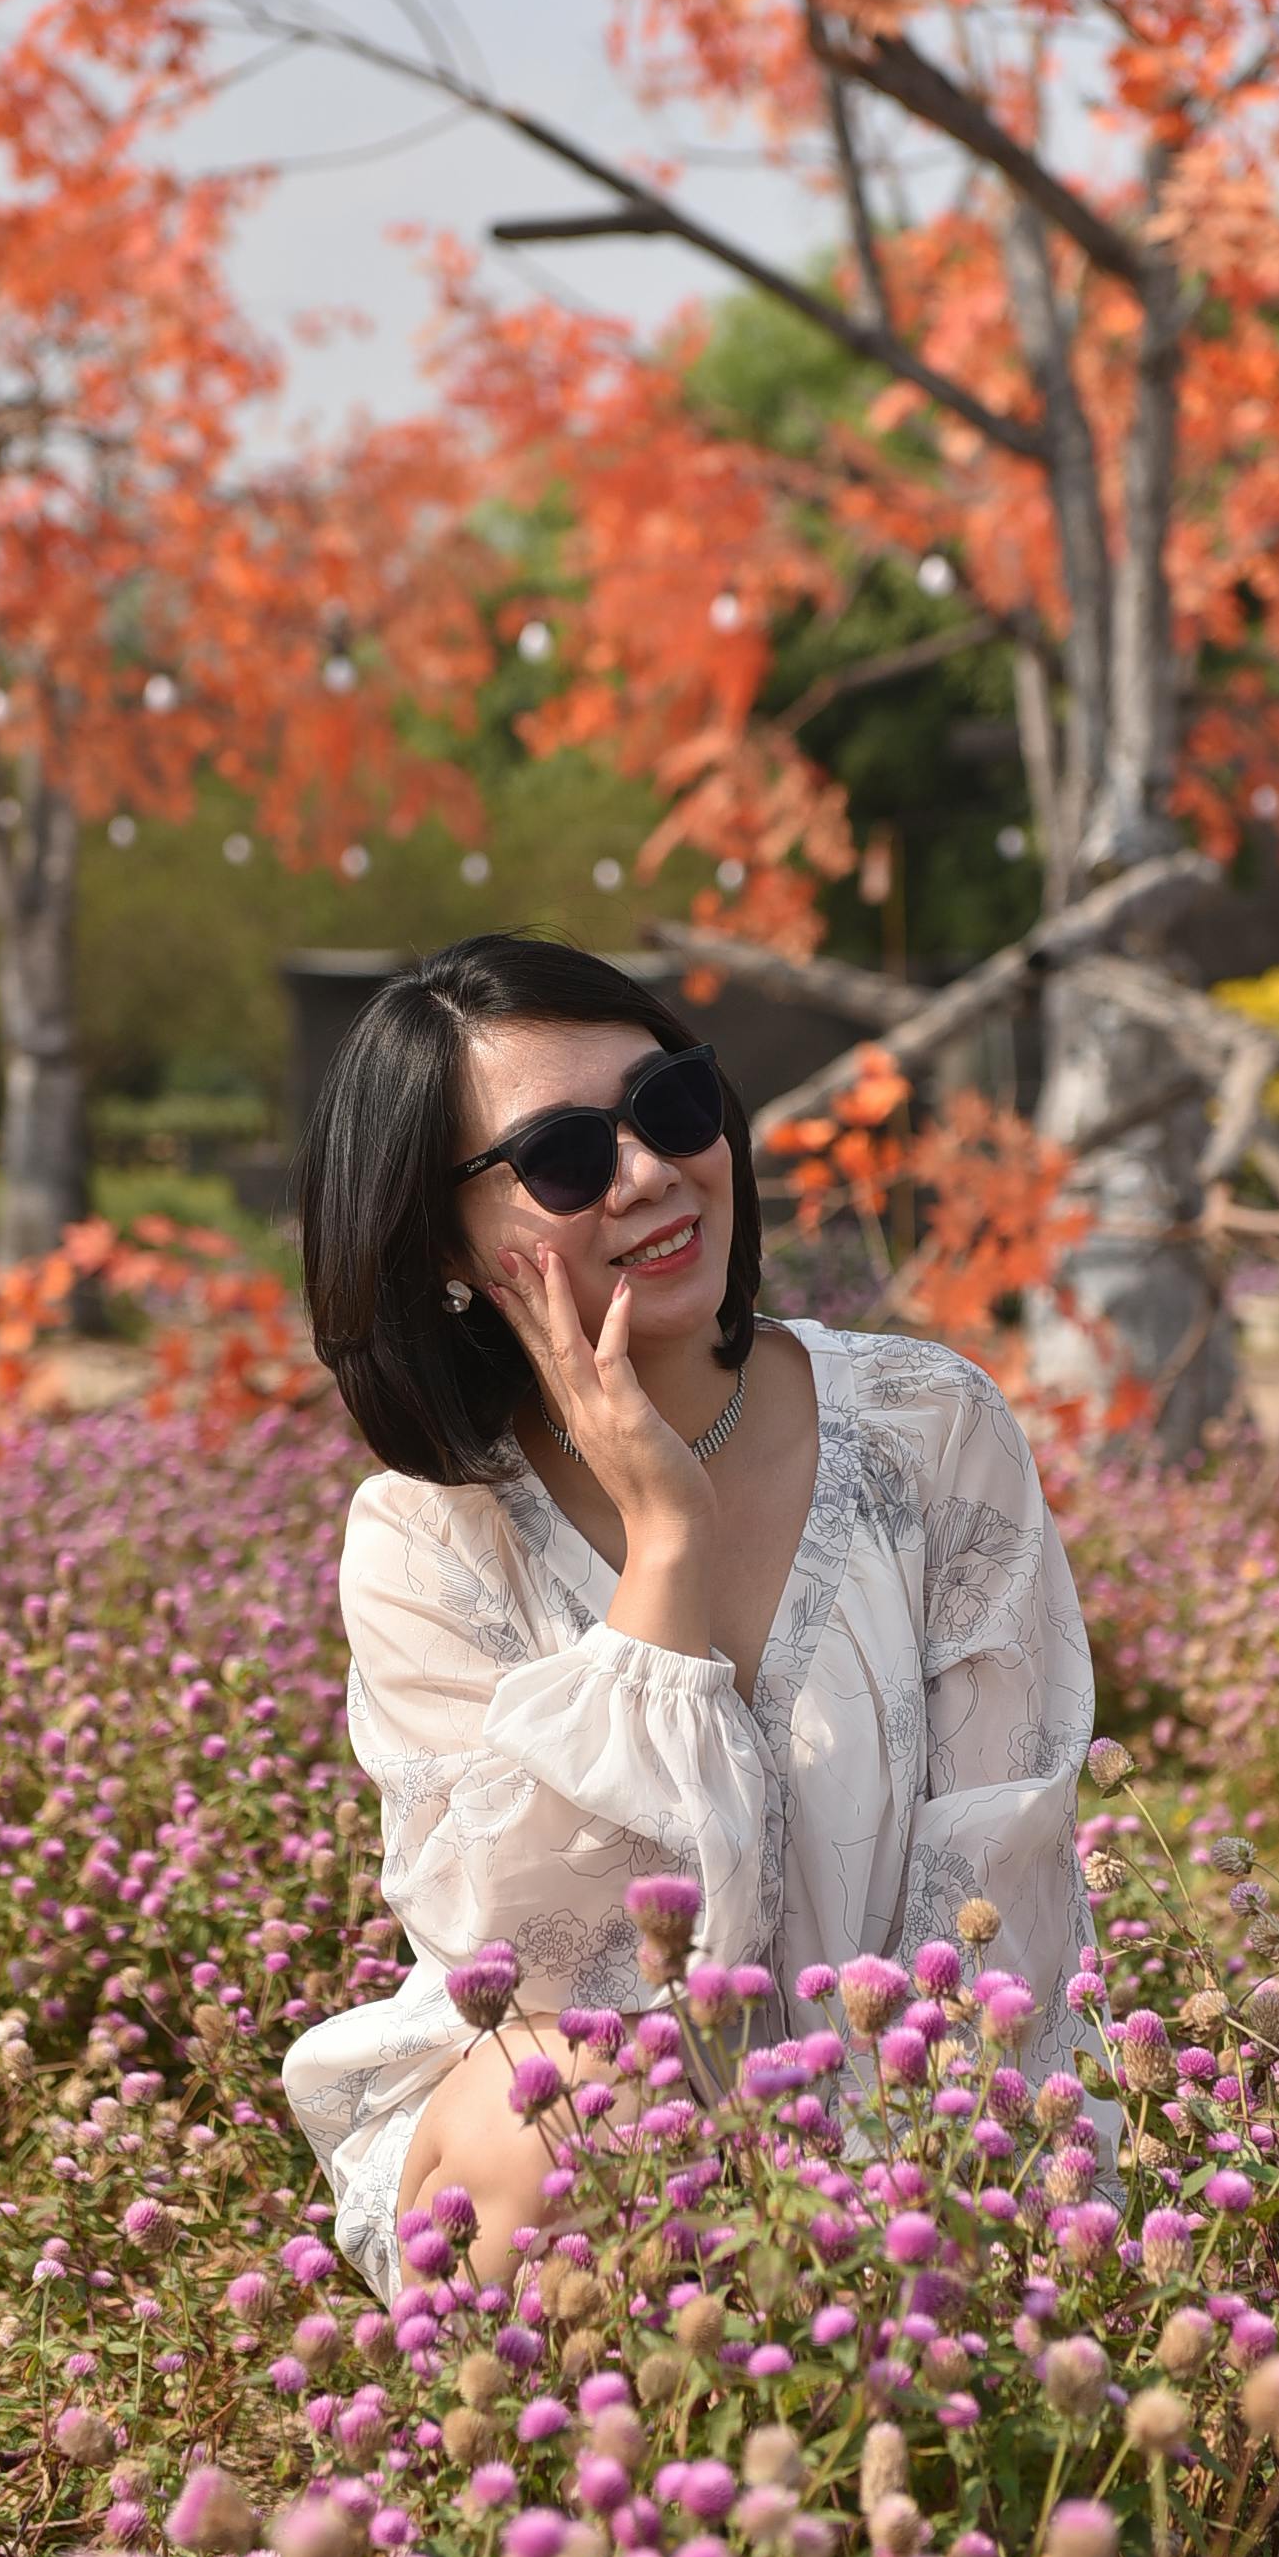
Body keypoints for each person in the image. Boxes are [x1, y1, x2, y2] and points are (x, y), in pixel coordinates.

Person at [282, 930, 1121, 2304]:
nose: (649, 1173)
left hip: (920, 2141)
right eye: (562, 1155)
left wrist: (870, 2202)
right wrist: (663, 1550)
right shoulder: (429, 1542)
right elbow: (558, 1981)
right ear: (444, 1241)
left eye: (670, 1107)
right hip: (593, 2178)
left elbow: (998, 1878)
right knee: (565, 2121)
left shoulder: (927, 1427)